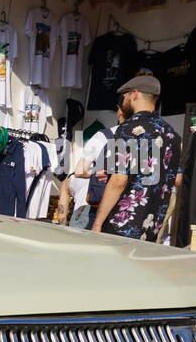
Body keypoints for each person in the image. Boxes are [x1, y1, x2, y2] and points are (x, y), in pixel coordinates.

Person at [91, 75, 183, 239]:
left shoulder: (128, 129)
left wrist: (98, 222)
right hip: (151, 227)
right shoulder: (172, 134)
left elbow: (119, 180)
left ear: (134, 94)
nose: (124, 100)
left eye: (124, 96)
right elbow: (178, 179)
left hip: (121, 224)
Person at [56, 103, 127, 229]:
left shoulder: (103, 136)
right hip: (121, 211)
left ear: (120, 112)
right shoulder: (146, 137)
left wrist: (62, 224)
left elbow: (78, 172)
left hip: (88, 210)